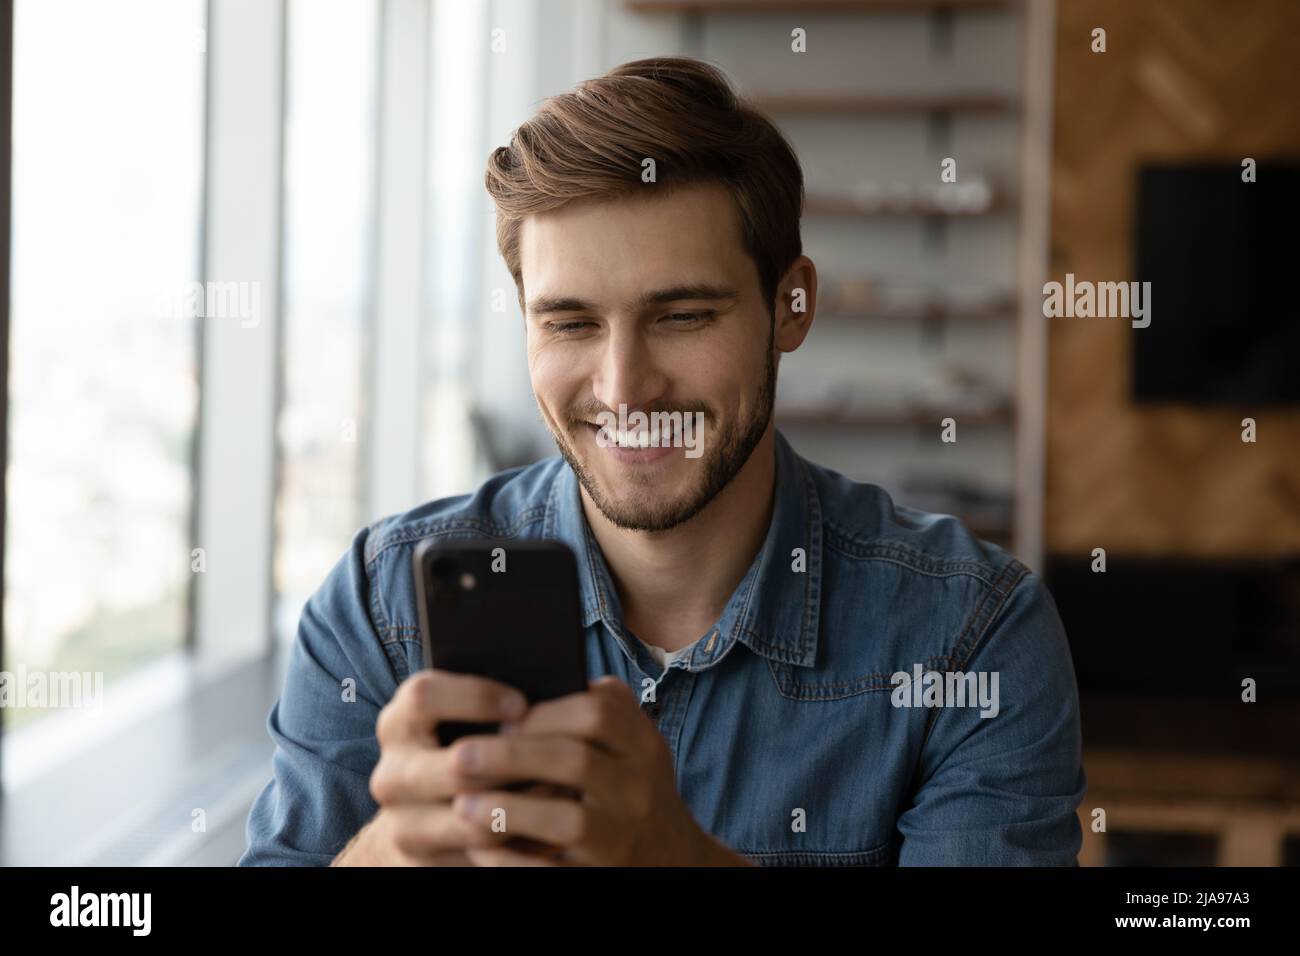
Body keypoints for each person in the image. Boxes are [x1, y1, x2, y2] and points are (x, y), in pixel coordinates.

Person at [240, 56, 1085, 867]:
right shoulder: (380, 610)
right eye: (570, 324)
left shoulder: (970, 638)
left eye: (681, 316)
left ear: (792, 306)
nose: (624, 388)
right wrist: (399, 848)